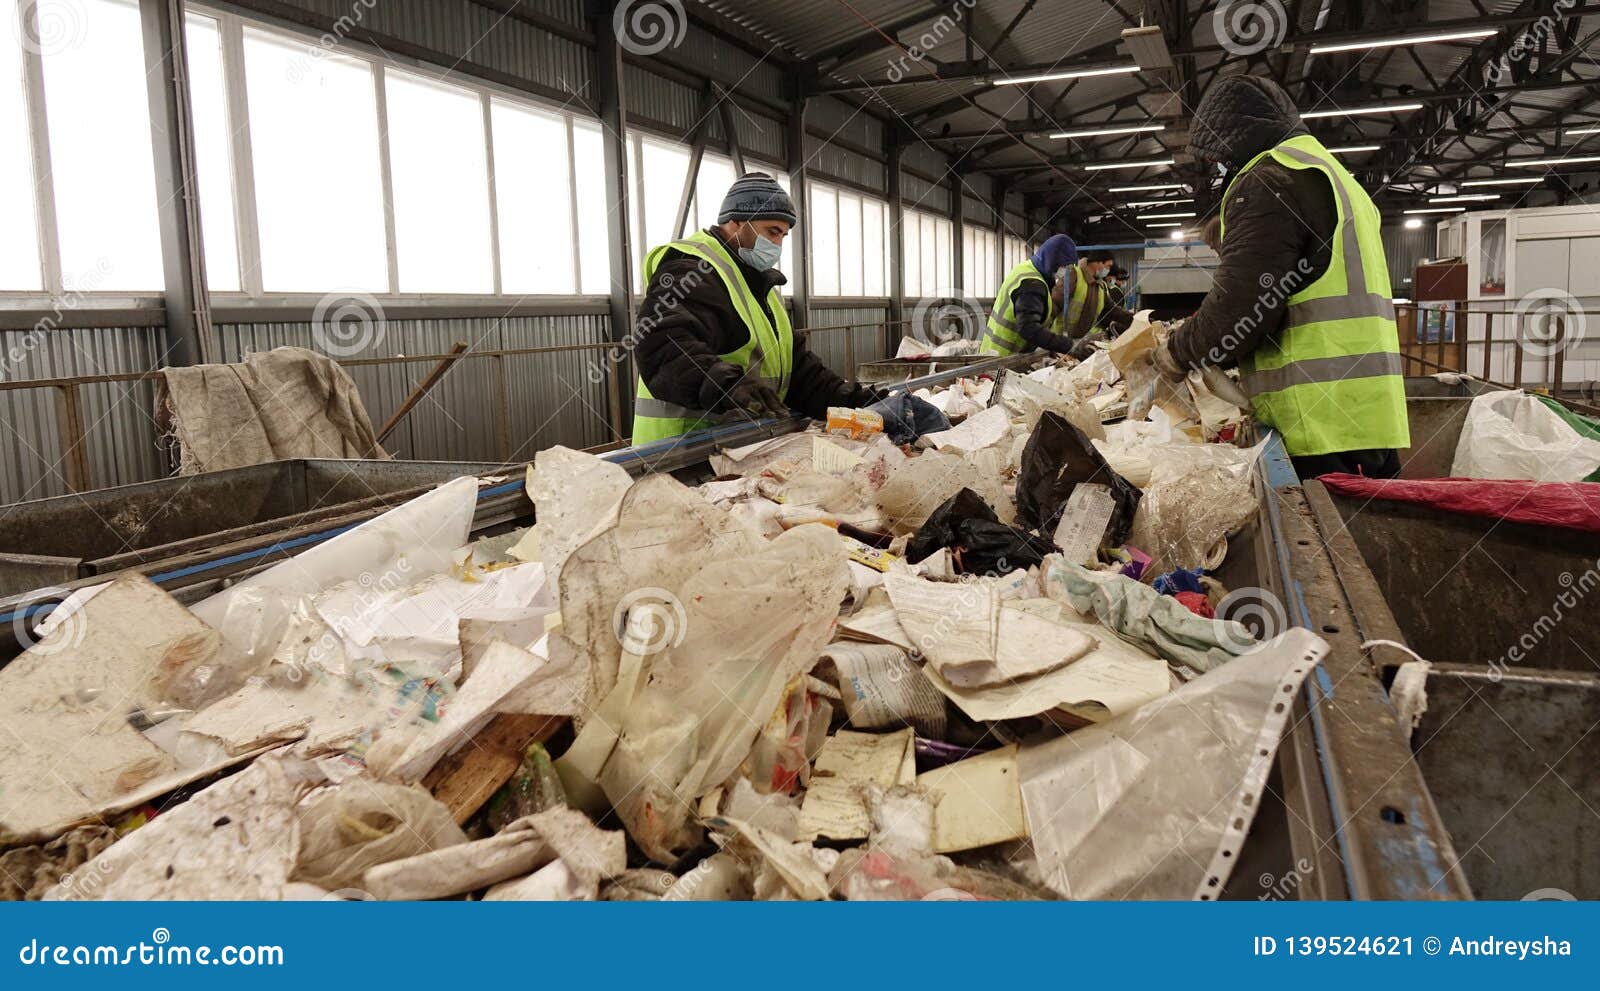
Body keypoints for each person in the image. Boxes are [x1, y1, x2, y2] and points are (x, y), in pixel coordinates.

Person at [1153, 74, 1409, 479]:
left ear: (1231, 141)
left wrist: (1175, 351)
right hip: (1369, 417)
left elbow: (1237, 315)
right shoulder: (1334, 177)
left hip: (1319, 424)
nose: (1217, 171)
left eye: (1215, 160)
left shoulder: (1267, 181)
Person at [630, 173, 884, 445]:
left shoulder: (758, 287)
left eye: (783, 236)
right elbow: (661, 345)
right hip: (679, 454)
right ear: (735, 222)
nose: (777, 245)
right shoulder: (692, 270)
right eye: (772, 231)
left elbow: (798, 370)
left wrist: (855, 400)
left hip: (735, 449)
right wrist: (727, 385)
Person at [979, 234, 1083, 356]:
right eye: (1064, 265)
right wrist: (1067, 346)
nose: (1065, 271)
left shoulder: (1026, 269)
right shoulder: (1032, 283)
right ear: (1051, 259)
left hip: (995, 352)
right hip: (1003, 358)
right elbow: (1028, 328)